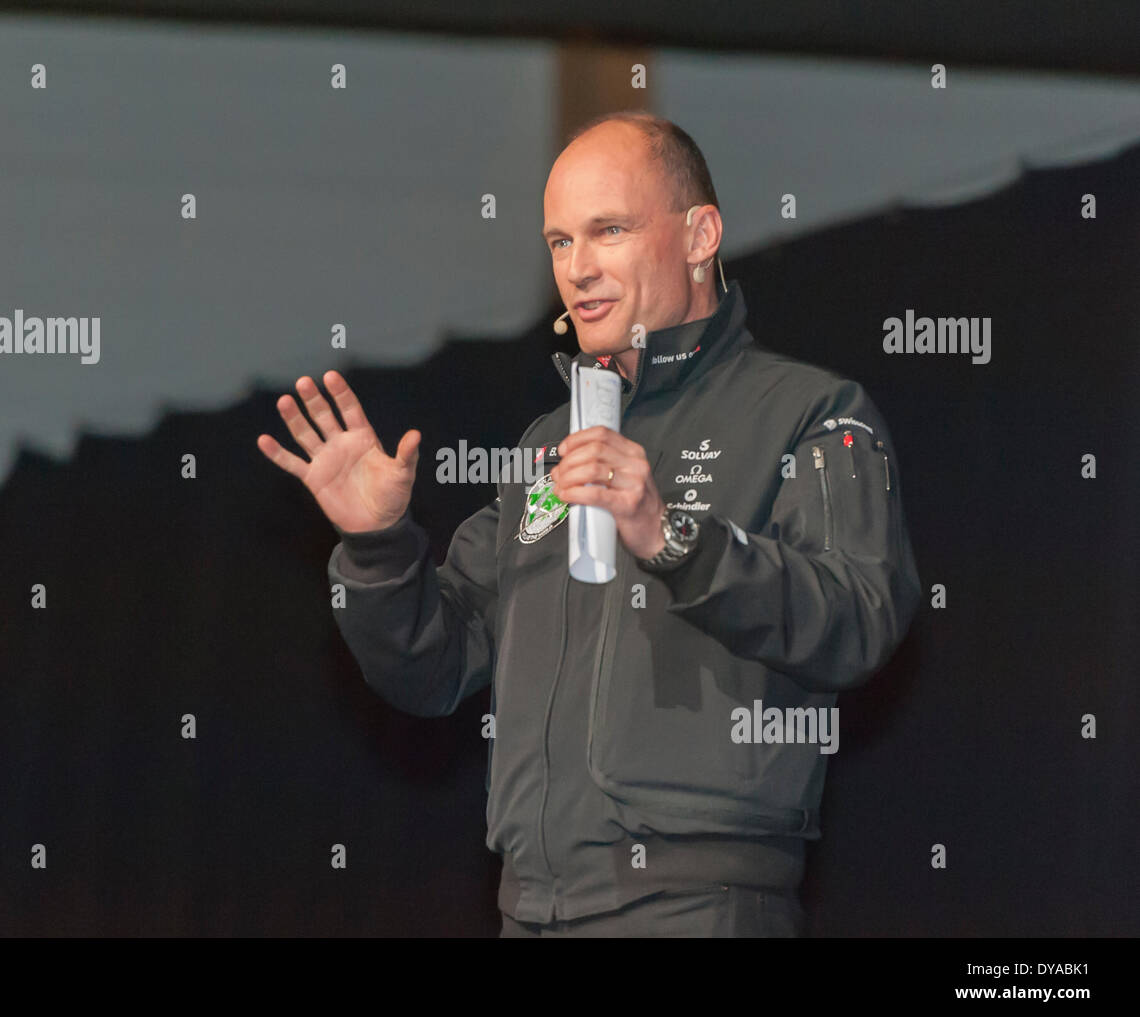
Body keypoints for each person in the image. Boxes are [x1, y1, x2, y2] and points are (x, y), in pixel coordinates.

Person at [257, 111, 921, 937]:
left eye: (608, 230)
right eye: (560, 242)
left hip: (696, 907)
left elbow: (859, 616)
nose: (578, 269)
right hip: (528, 907)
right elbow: (433, 666)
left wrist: (671, 535)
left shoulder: (813, 413)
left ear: (700, 234)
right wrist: (378, 546)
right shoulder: (549, 447)